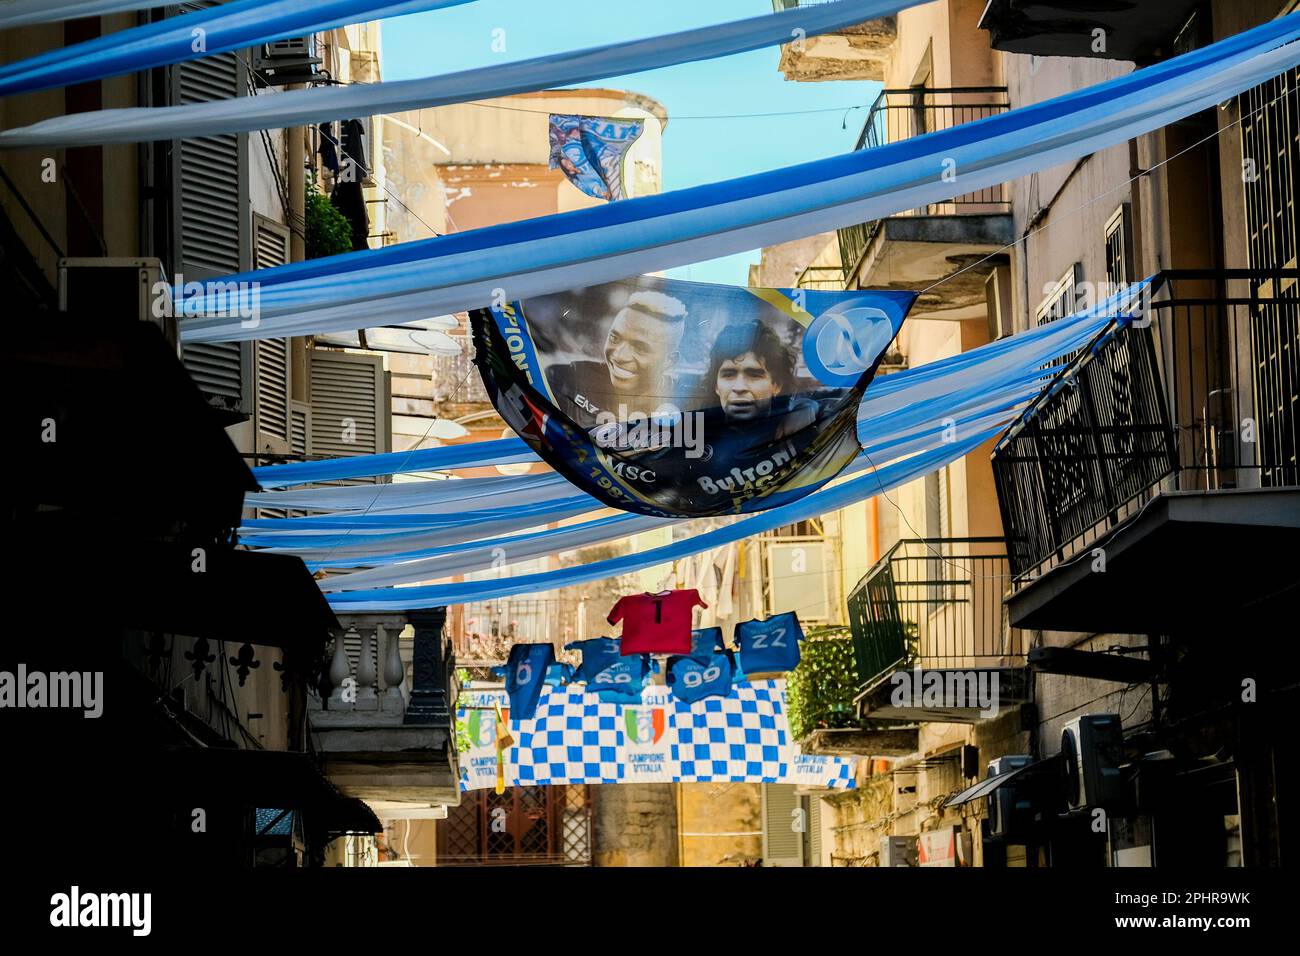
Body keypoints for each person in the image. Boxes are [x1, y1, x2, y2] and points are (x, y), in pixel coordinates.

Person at [546, 289, 688, 429]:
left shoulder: (687, 402)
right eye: (614, 338)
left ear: (669, 361)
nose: (620, 355)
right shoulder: (566, 379)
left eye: (641, 348)